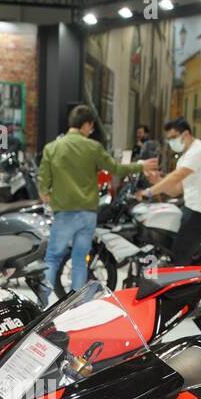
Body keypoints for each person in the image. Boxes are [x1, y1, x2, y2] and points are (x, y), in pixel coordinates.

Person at [36, 105, 156, 306]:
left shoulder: (52, 148)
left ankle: (41, 302)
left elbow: (43, 180)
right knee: (80, 258)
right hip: (88, 214)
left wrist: (46, 194)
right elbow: (116, 168)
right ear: (86, 125)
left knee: (53, 258)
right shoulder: (93, 147)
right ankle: (77, 305)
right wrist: (140, 166)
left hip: (64, 213)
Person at [139, 117, 201, 265]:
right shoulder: (184, 157)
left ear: (185, 134)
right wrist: (157, 181)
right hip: (192, 207)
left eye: (173, 137)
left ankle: (185, 286)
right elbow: (176, 190)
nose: (171, 142)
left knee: (180, 250)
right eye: (169, 139)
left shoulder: (199, 151)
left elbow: (177, 176)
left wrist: (150, 191)